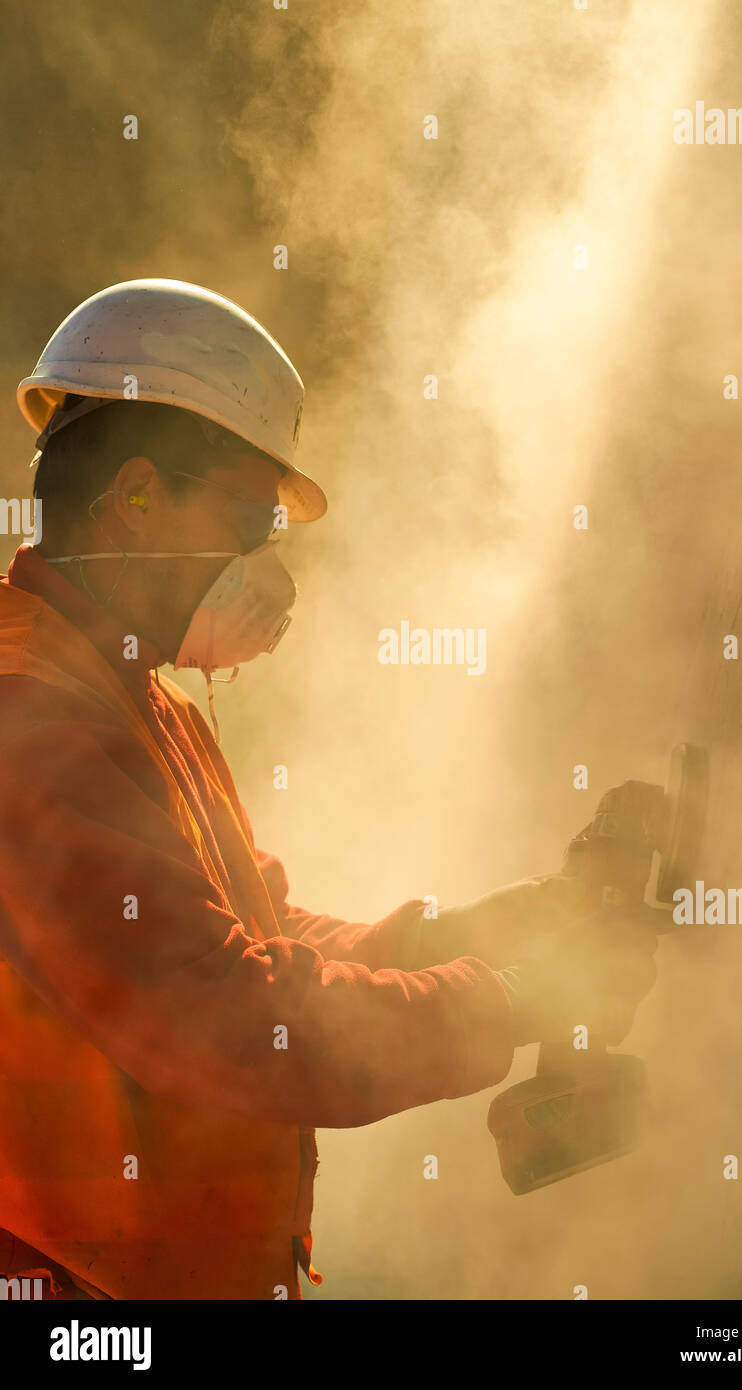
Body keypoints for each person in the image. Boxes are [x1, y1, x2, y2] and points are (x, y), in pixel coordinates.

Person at [0, 279, 657, 1300]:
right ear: (135, 495)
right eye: (249, 513)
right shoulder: (34, 718)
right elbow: (230, 1013)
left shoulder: (134, 696)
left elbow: (259, 935)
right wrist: (514, 1002)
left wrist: (490, 932)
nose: (264, 560)